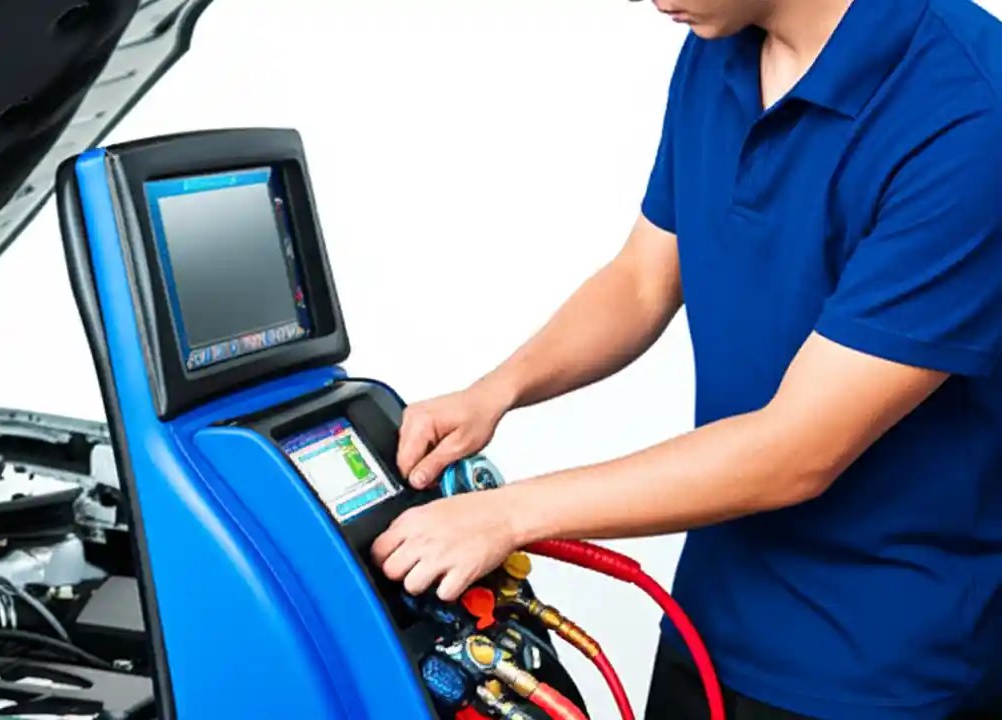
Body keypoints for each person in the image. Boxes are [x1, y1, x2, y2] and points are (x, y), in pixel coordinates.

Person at [369, 0, 1002, 717]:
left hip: (879, 669)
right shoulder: (723, 38)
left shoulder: (971, 111)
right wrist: (497, 390)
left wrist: (507, 517)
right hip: (710, 627)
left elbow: (799, 450)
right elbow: (642, 279)